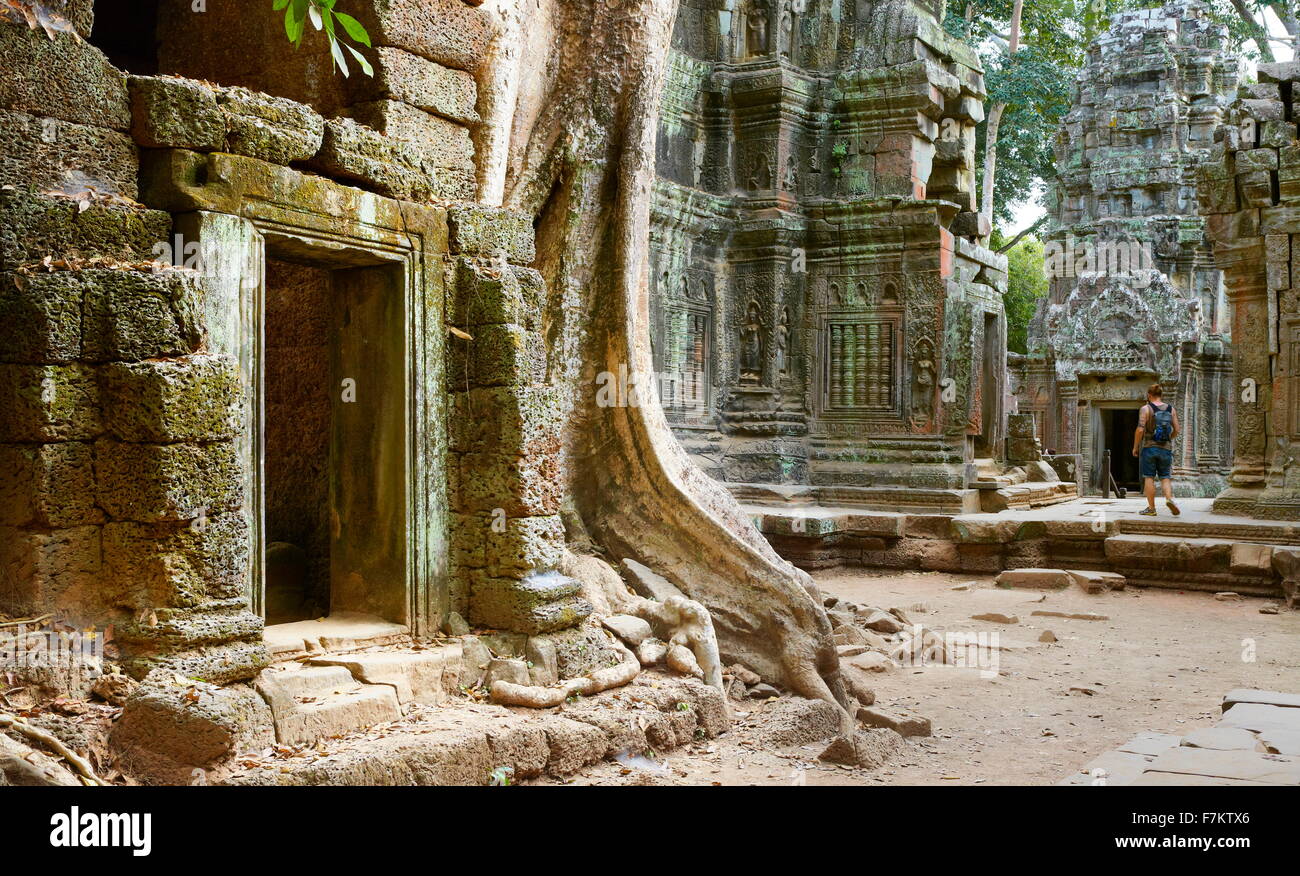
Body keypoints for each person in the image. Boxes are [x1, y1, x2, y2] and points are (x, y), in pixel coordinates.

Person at [1132, 383, 1180, 516]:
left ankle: (1152, 509)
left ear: (1149, 395)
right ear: (1160, 395)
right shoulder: (1171, 409)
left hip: (1149, 447)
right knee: (1165, 477)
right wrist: (1168, 438)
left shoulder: (1145, 409)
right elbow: (1177, 430)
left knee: (1149, 477)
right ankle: (1169, 499)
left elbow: (1140, 428)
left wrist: (1135, 446)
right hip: (1166, 448)